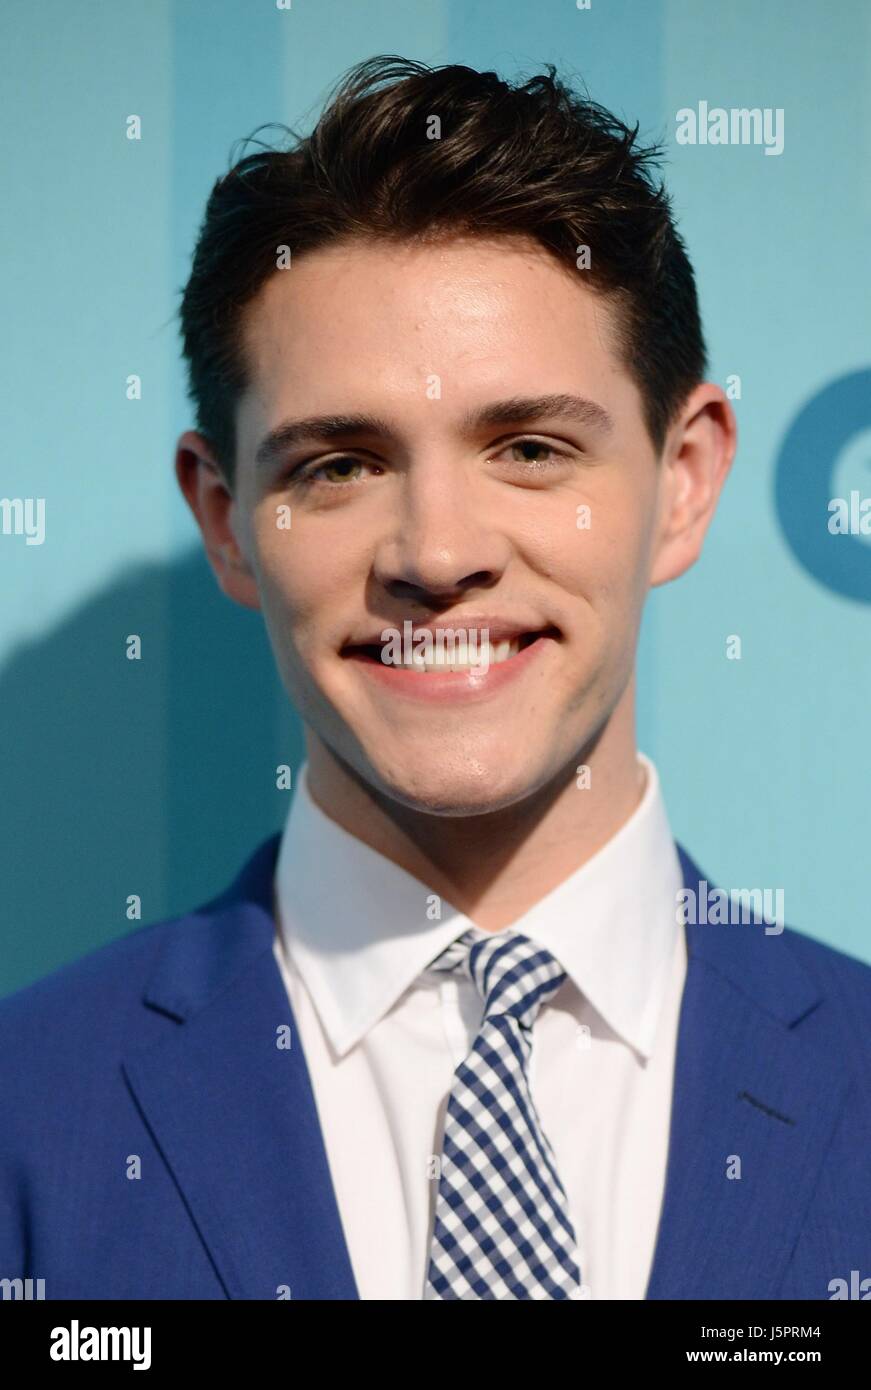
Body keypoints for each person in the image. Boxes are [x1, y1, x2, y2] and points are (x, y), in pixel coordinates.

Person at [2, 55, 869, 1302]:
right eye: (339, 465)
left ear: (683, 480)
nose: (439, 554)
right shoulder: (29, 1119)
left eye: (528, 447)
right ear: (227, 515)